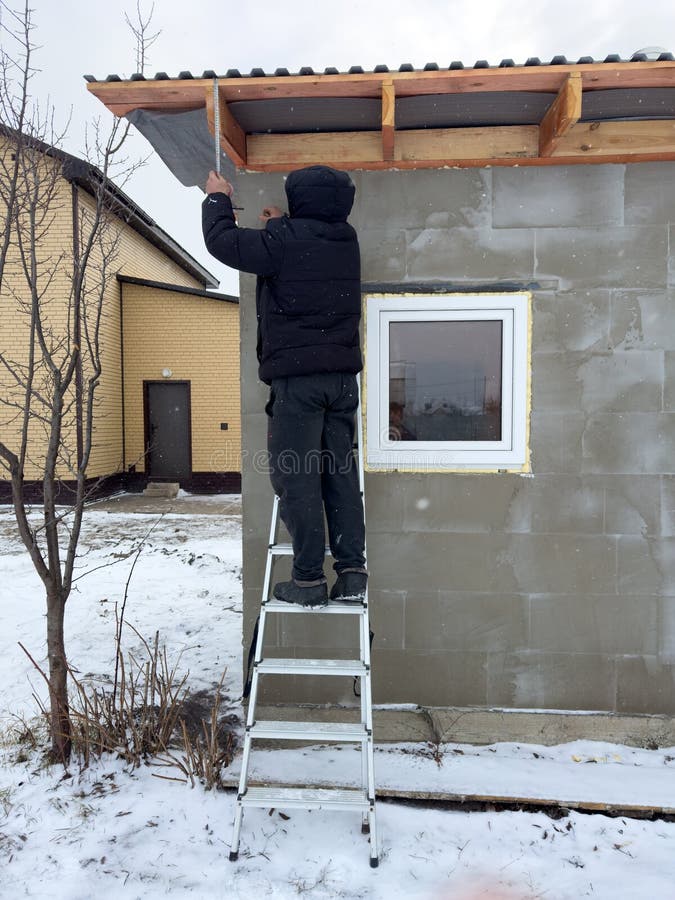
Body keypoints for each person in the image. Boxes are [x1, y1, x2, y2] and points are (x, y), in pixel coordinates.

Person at [202, 165, 367, 607]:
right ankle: (352, 573)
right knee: (340, 475)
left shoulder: (284, 243)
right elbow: (302, 256)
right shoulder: (346, 240)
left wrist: (217, 199)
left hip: (300, 383)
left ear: (301, 201)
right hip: (341, 382)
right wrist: (280, 226)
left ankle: (309, 580)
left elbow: (223, 243)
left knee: (298, 477)